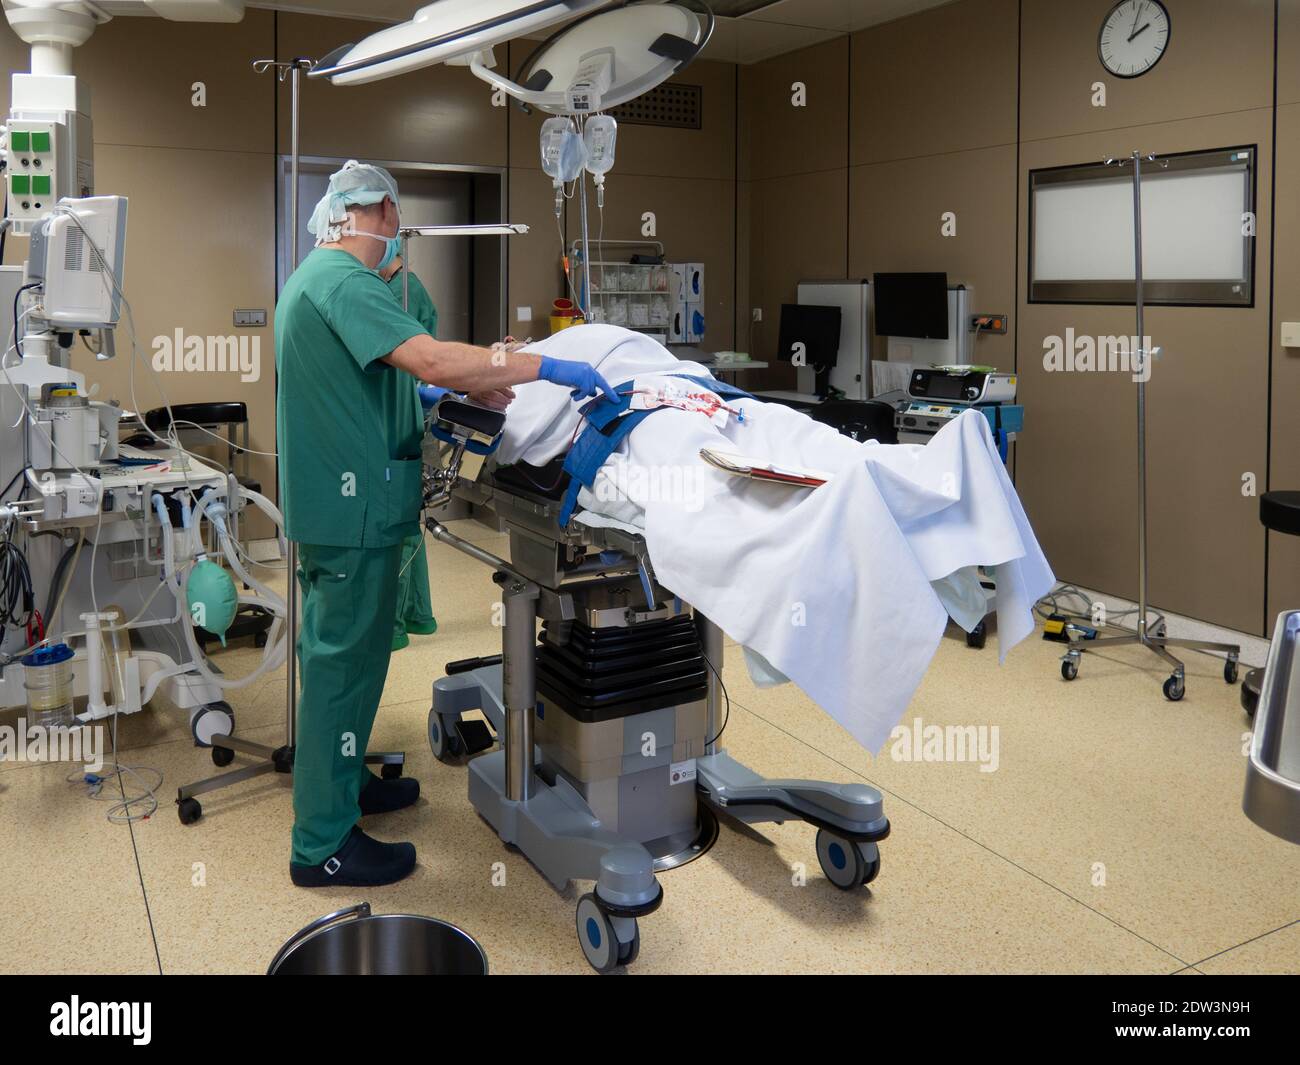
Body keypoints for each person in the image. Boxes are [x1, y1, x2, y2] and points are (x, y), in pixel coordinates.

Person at [275, 160, 616, 888]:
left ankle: (344, 789)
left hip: (346, 504)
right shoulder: (343, 281)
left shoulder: (319, 280)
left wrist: (429, 389)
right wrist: (541, 366)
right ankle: (321, 845)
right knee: (340, 670)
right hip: (351, 508)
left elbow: (396, 371)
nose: (399, 233)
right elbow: (428, 354)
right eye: (394, 219)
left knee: (353, 666)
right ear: (376, 214)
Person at [378, 254, 438, 653]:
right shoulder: (389, 289)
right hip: (396, 413)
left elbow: (422, 360)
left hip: (398, 419)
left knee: (398, 526)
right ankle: (417, 614)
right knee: (406, 524)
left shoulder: (405, 292)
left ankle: (394, 625)